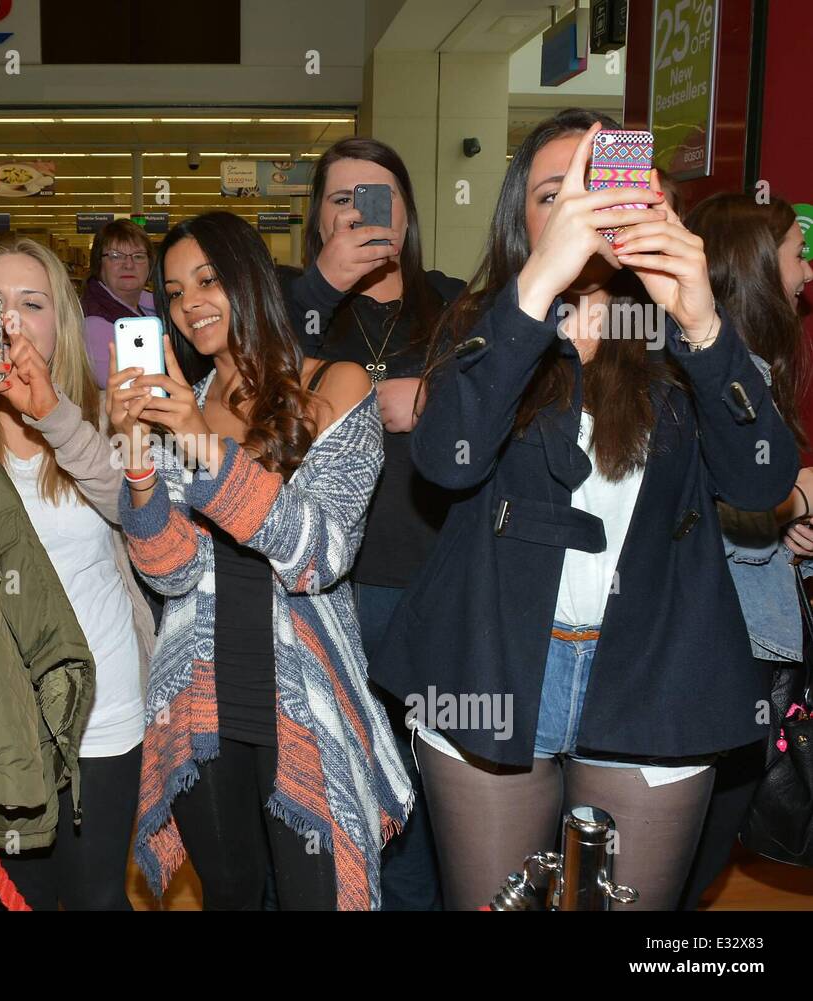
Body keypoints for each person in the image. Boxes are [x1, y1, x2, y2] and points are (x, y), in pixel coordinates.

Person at [378, 109, 799, 910]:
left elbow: (759, 481)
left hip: (652, 676)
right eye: (554, 193)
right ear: (521, 219)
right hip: (492, 666)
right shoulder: (485, 324)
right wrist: (535, 289)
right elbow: (442, 458)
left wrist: (704, 321)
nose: (582, 208)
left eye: (604, 187)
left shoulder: (683, 331)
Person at [111, 211, 413, 910]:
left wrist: (202, 445)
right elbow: (170, 570)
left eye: (209, 279)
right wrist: (136, 454)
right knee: (231, 894)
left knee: (315, 896)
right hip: (200, 694)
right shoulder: (179, 404)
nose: (192, 305)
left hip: (303, 695)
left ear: (249, 277)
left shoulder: (339, 386)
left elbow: (320, 553)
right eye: (177, 291)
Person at [0, 236, 155, 910]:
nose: (12, 319)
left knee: (98, 896)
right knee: (26, 896)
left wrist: (53, 415)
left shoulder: (104, 412)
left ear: (59, 321)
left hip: (102, 700)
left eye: (31, 302)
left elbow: (137, 513)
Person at [281, 137, 466, 910]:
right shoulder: (300, 303)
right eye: (340, 199)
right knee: (338, 789)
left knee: (428, 794)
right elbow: (250, 381)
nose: (359, 214)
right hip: (331, 590)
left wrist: (425, 403)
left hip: (435, 581)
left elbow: (513, 405)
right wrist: (323, 283)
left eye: (377, 197)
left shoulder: (455, 299)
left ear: (410, 214)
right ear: (317, 217)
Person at [678, 193, 813, 907]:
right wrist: (801, 497)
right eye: (796, 253)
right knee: (689, 859)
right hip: (733, 654)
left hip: (727, 646)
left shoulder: (728, 365)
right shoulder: (735, 377)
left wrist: (791, 520)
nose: (807, 271)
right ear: (758, 268)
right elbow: (728, 520)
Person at [81, 219, 156, 389]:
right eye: (115, 256)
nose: (128, 265)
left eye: (138, 256)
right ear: (98, 264)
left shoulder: (156, 307)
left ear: (150, 265)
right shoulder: (93, 323)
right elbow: (128, 388)